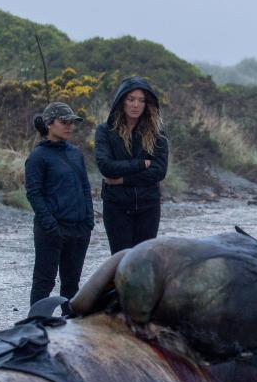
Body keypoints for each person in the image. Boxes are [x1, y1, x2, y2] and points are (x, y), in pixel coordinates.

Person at [25, 102, 94, 313]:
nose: (69, 126)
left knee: (72, 283)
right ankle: (35, 323)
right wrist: (51, 226)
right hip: (51, 229)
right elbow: (33, 193)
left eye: (72, 122)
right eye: (64, 122)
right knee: (44, 281)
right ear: (49, 124)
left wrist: (88, 221)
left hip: (79, 229)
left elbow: (85, 188)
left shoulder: (76, 154)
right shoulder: (38, 157)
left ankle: (69, 324)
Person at [95, 76, 168, 254]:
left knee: (143, 260)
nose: (136, 105)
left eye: (141, 100)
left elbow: (159, 171)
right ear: (122, 101)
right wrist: (142, 163)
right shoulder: (105, 131)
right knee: (121, 260)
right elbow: (106, 167)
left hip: (148, 205)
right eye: (131, 99)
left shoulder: (157, 133)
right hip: (116, 206)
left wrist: (122, 180)